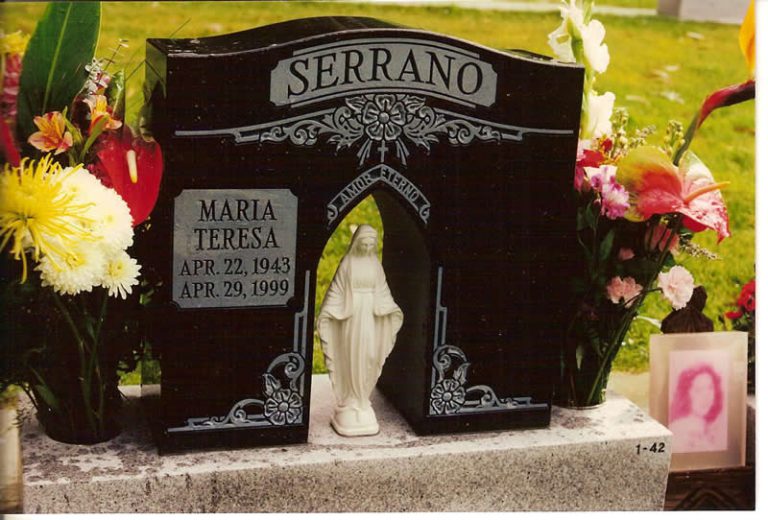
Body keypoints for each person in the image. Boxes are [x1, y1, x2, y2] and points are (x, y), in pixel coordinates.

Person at [317, 224, 403, 436]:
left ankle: (362, 399)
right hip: (352, 317)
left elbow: (382, 291)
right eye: (363, 243)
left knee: (369, 355)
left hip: (370, 316)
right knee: (351, 357)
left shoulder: (375, 266)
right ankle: (349, 401)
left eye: (370, 244)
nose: (366, 247)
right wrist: (330, 310)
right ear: (356, 243)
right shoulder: (348, 263)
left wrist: (389, 307)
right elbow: (337, 289)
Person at [668, 363, 727, 453]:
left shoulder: (707, 428)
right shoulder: (679, 430)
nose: (706, 396)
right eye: (698, 390)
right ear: (686, 394)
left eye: (710, 388)